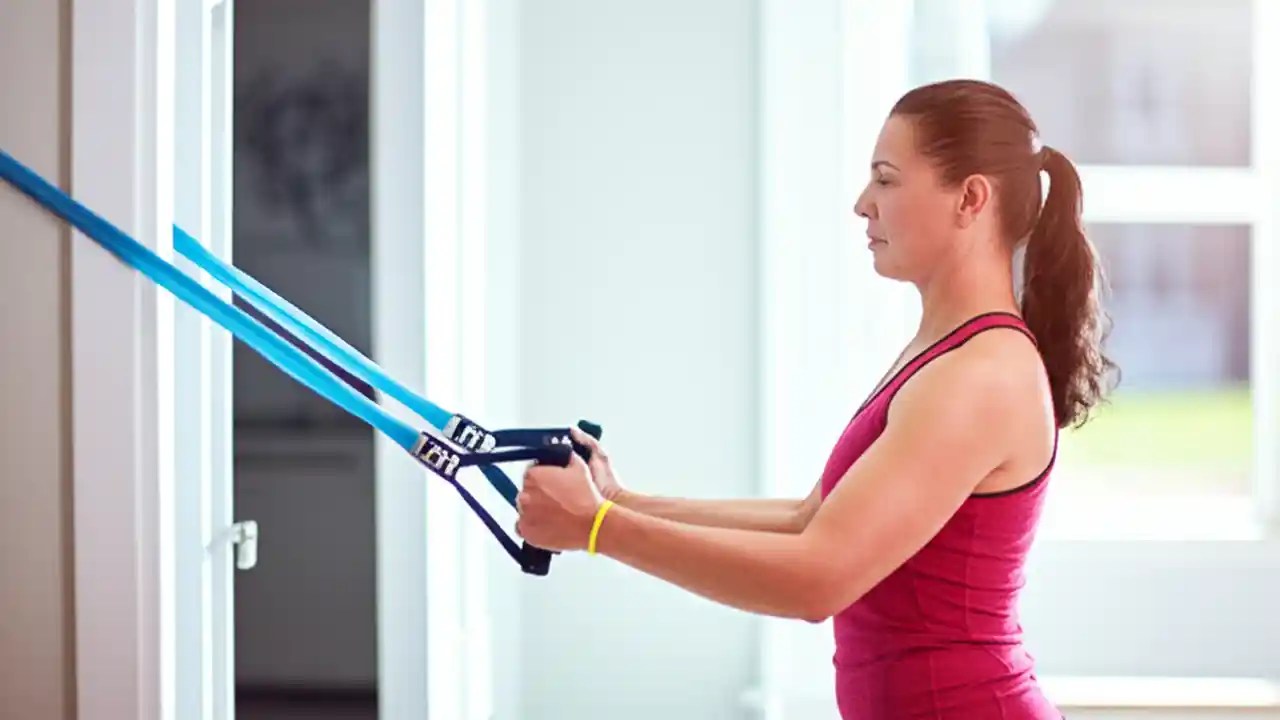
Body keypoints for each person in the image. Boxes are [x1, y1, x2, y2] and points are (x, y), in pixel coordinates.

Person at [514, 78, 1116, 719]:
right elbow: (814, 519)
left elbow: (817, 577)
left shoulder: (982, 373)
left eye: (886, 179)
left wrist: (599, 529)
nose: (863, 204)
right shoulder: (944, 352)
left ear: (970, 198)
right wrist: (621, 502)